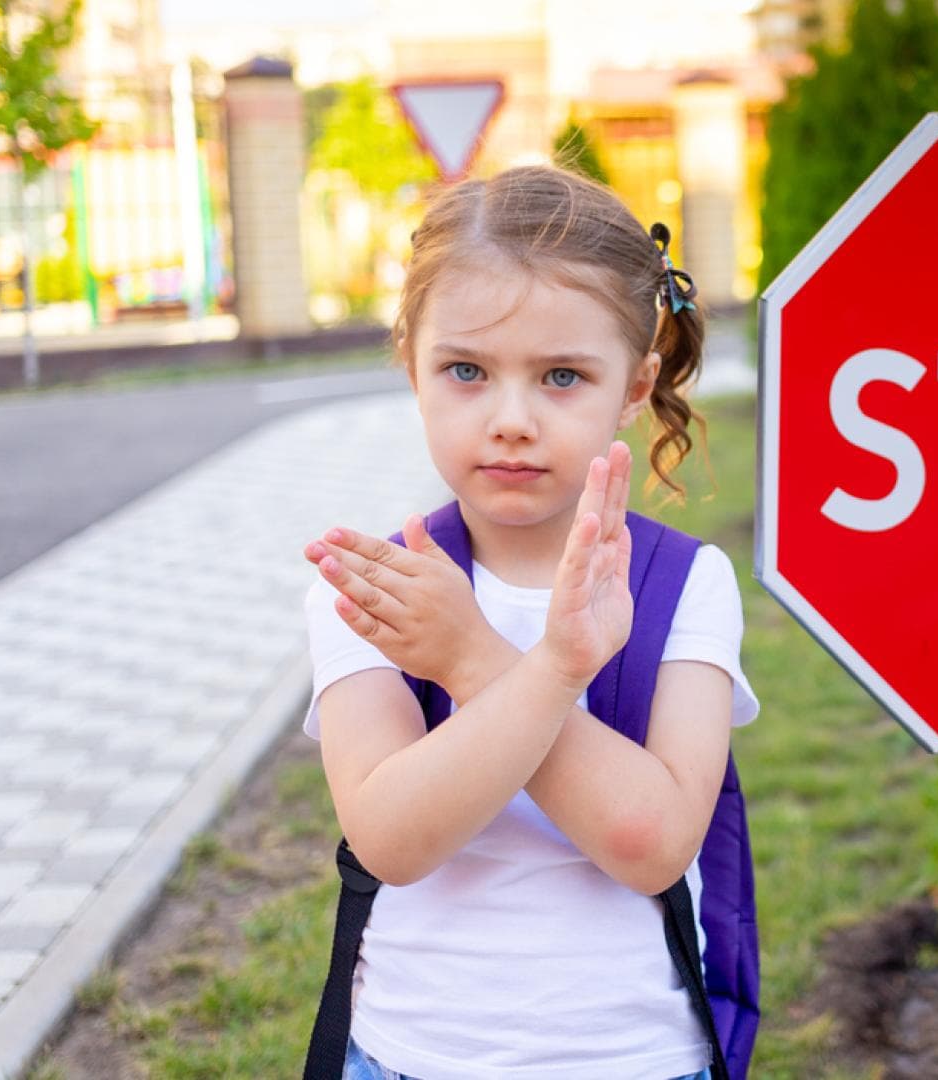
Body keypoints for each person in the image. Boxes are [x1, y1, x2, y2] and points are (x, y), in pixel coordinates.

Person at [295, 163, 760, 1080]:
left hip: (634, 1061)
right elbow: (391, 840)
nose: (511, 420)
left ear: (635, 387)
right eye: (465, 370)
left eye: (561, 376)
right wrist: (532, 667)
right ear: (410, 365)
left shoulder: (684, 586)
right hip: (408, 1057)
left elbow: (654, 844)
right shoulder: (372, 589)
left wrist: (478, 660)